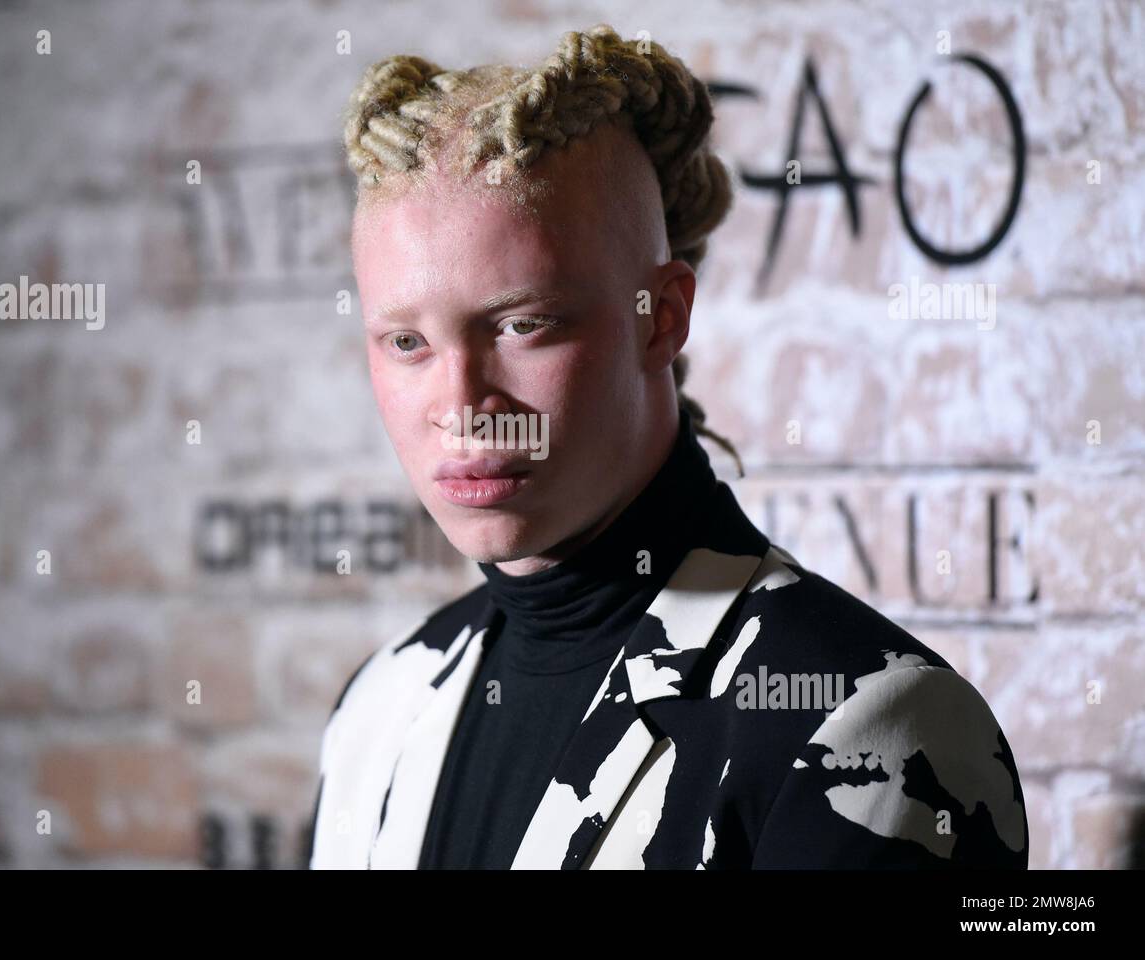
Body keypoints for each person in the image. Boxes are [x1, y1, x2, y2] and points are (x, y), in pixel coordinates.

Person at [307, 23, 1027, 869]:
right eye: (407, 343)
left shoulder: (868, 727)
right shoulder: (379, 711)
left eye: (523, 325)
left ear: (665, 319)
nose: (462, 407)